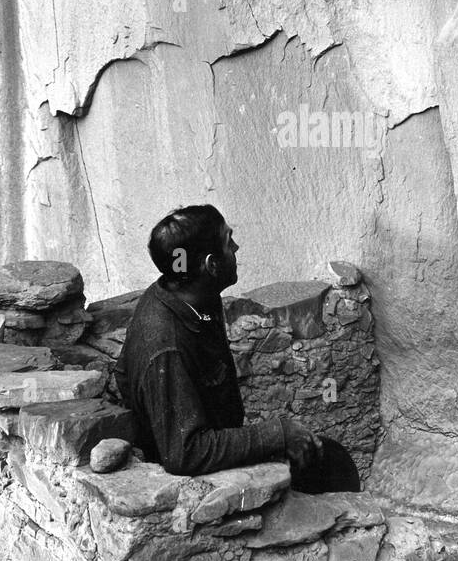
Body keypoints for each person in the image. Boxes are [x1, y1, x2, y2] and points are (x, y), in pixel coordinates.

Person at [114, 203, 360, 492]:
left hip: (216, 439)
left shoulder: (193, 294)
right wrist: (276, 435)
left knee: (326, 459)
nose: (237, 247)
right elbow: (184, 452)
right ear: (212, 265)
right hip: (190, 481)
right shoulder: (167, 345)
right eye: (228, 241)